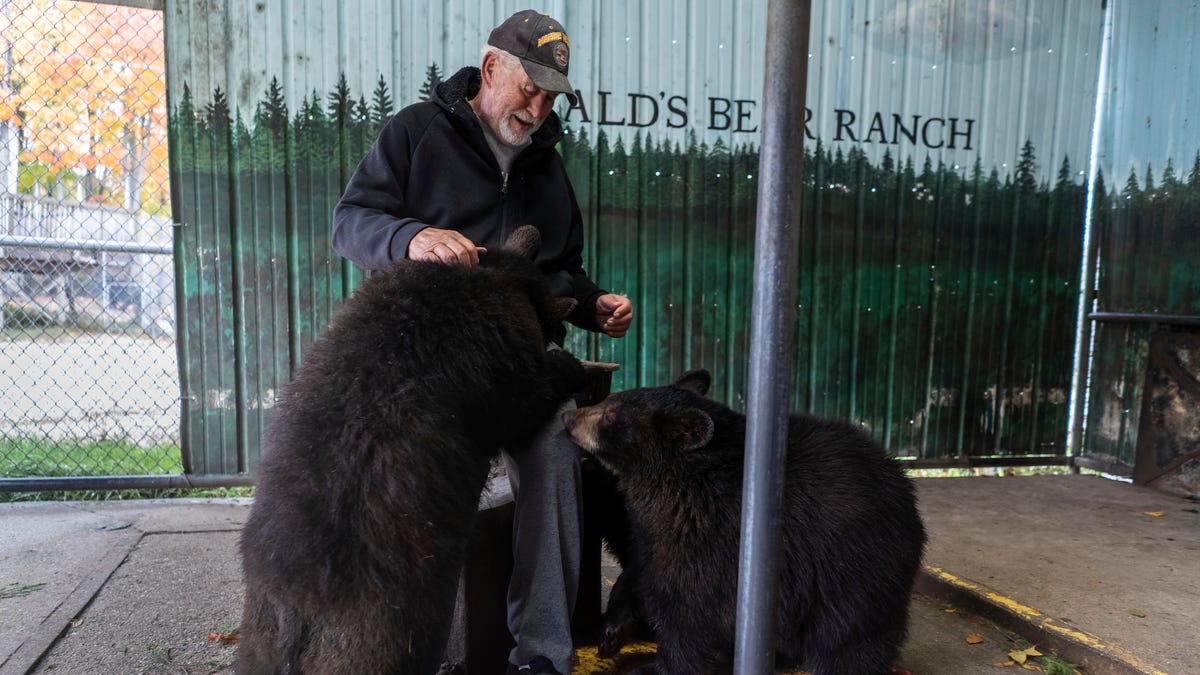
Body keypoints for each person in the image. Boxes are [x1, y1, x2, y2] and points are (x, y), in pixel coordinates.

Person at [331, 9, 633, 675]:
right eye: (530, 88)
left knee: (555, 447)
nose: (538, 106)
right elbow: (350, 221)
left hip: (515, 366)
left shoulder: (547, 169)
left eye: (552, 96)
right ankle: (398, 645)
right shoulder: (415, 133)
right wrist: (410, 238)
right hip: (425, 363)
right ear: (491, 67)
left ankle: (541, 653)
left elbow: (557, 270)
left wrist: (594, 304)